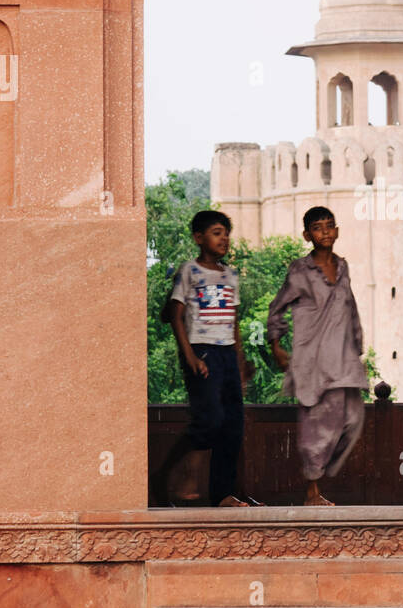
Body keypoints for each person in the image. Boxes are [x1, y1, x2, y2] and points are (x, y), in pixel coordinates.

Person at [151, 210, 253, 508]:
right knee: (210, 419)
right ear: (199, 238)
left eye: (226, 233)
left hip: (227, 354)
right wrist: (190, 356)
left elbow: (233, 321)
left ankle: (222, 494)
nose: (224, 239)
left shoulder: (230, 274)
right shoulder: (189, 270)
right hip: (201, 349)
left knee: (233, 425)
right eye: (217, 233)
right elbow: (175, 315)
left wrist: (240, 361)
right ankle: (167, 474)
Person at [267, 206, 367, 506]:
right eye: (317, 227)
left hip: (344, 358)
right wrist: (276, 345)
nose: (324, 232)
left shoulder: (343, 267)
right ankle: (312, 490)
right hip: (312, 359)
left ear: (336, 230)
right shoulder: (300, 270)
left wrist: (358, 342)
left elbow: (350, 304)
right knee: (315, 427)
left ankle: (318, 473)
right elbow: (277, 308)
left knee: (353, 420)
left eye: (329, 226)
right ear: (307, 235)